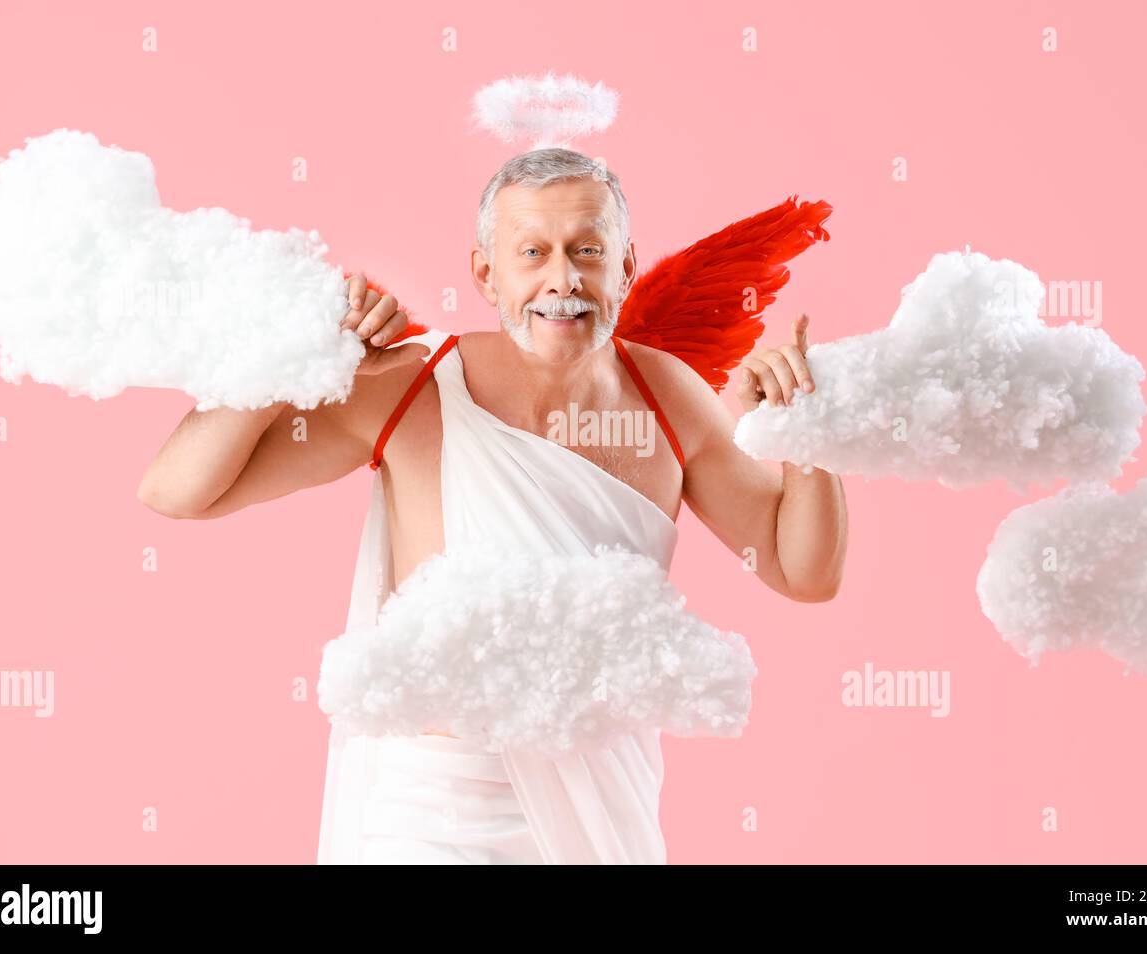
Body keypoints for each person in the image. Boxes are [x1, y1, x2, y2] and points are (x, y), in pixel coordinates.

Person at [136, 148, 849, 863]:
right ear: (485, 272)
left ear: (625, 268)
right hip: (433, 820)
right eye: (531, 252)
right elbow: (177, 491)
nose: (561, 280)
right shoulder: (411, 387)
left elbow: (802, 570)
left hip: (600, 815)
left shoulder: (669, 399)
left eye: (587, 251)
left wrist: (806, 429)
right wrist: (297, 351)